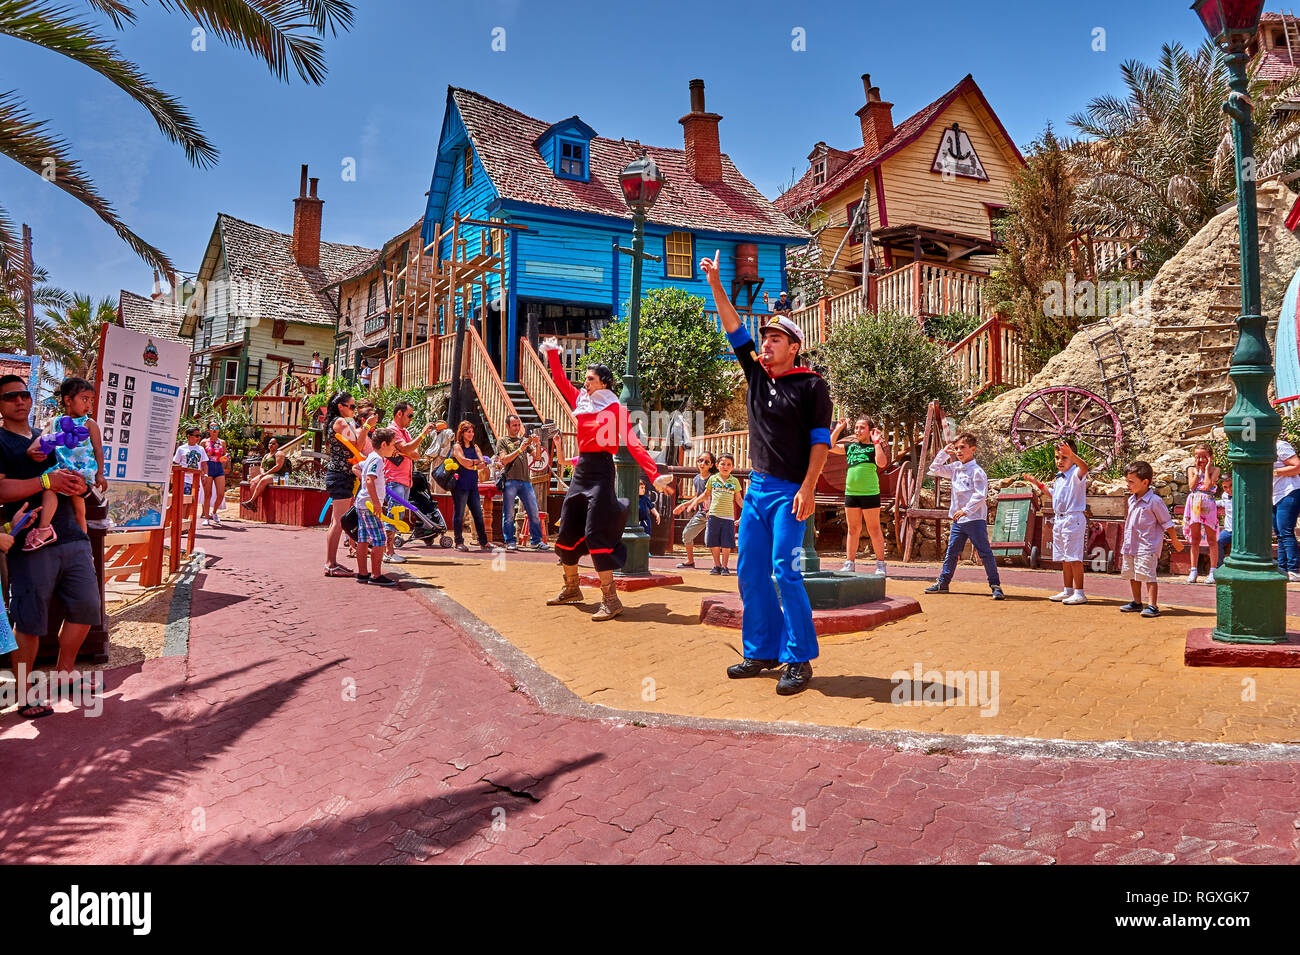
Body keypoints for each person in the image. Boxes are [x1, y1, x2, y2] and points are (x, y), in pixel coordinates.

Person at [702, 252, 832, 694]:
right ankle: (760, 650)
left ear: (794, 346)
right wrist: (716, 282)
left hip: (790, 492)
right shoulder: (756, 373)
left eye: (777, 337)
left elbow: (820, 442)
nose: (768, 342)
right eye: (767, 337)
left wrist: (809, 488)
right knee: (748, 572)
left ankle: (799, 658)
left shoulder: (813, 386)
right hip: (755, 491)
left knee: (786, 571)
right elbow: (732, 326)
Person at [539, 338, 674, 622]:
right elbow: (562, 382)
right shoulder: (582, 401)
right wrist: (552, 354)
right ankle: (572, 588)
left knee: (596, 534)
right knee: (565, 534)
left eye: (590, 379)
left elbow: (633, 443)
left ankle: (611, 600)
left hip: (601, 472)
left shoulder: (615, 409)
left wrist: (654, 473)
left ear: (604, 383)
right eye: (585, 379)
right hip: (581, 472)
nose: (585, 383)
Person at [0, 375, 98, 719]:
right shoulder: (0, 441)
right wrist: (45, 480)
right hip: (29, 541)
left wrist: (79, 485)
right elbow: (1, 491)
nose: (20, 401)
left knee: (87, 606)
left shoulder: (49, 435)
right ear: (0, 405)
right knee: (28, 620)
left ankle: (65, 671)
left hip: (72, 534)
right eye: (10, 396)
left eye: (24, 394)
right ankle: (26, 695)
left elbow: (77, 475)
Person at [25, 377, 106, 548]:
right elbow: (42, 439)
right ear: (68, 400)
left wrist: (100, 474)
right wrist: (32, 451)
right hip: (62, 471)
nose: (88, 405)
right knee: (48, 488)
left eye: (91, 400)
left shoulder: (89, 424)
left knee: (79, 511)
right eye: (85, 399)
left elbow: (98, 449)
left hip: (81, 472)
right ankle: (44, 528)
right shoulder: (55, 422)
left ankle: (84, 546)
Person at [924, 433, 1005, 600]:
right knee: (952, 551)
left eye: (962, 447)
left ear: (972, 450)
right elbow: (934, 469)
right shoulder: (955, 468)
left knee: (984, 553)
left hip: (974, 519)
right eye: (957, 448)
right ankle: (943, 583)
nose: (958, 451)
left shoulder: (977, 471)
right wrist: (944, 453)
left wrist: (966, 510)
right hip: (959, 520)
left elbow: (980, 495)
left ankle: (995, 586)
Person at [1022, 440, 1090, 604]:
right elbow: (1054, 495)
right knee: (1065, 558)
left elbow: (1085, 467)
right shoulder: (1060, 477)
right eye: (1057, 457)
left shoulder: (1075, 473)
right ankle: (1068, 590)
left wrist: (1072, 456)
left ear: (1072, 458)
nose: (1059, 461)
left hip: (1073, 519)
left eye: (1064, 457)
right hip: (1059, 519)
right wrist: (1037, 483)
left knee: (1074, 558)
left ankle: (1079, 593)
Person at [1119, 460, 1183, 617]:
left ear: (1145, 482)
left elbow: (1167, 523)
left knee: (1148, 575)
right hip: (1131, 545)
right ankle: (1137, 602)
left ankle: (1152, 605)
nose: (1128, 485)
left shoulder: (1155, 501)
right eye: (1127, 481)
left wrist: (1175, 541)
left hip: (1146, 546)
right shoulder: (1131, 499)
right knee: (1132, 574)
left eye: (1131, 482)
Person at [829, 416, 889, 576]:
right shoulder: (851, 446)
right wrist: (838, 429)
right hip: (851, 493)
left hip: (870, 493)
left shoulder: (874, 447)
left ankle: (880, 565)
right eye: (856, 427)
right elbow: (830, 446)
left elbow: (882, 463)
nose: (858, 430)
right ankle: (849, 563)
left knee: (874, 529)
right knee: (853, 529)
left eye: (862, 427)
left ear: (870, 430)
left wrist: (876, 442)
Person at [383, 401, 436, 563]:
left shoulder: (404, 432)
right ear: (399, 413)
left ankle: (389, 551)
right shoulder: (392, 430)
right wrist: (422, 435)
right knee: (394, 514)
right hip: (394, 479)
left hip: (405, 480)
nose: (411, 419)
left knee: (398, 515)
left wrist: (405, 449)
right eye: (409, 415)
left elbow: (416, 453)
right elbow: (408, 450)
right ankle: (388, 551)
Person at [677, 452, 744, 575]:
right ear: (718, 465)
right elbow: (705, 494)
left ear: (732, 467)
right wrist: (692, 503)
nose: (725, 466)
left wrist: (745, 513)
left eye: (729, 464)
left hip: (728, 516)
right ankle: (716, 565)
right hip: (712, 515)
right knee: (713, 541)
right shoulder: (712, 479)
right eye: (723, 464)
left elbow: (739, 499)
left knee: (726, 543)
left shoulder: (734, 481)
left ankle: (724, 566)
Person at [494, 414, 548, 552]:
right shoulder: (503, 441)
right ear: (507, 426)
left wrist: (537, 444)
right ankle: (510, 541)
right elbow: (504, 460)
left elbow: (537, 458)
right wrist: (520, 449)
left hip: (525, 480)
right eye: (514, 425)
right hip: (510, 480)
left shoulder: (523, 440)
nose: (517, 428)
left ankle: (536, 541)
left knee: (534, 511)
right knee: (509, 513)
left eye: (518, 425)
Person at [353, 427, 400, 586]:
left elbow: (357, 467)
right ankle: (376, 574)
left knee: (363, 539)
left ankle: (363, 573)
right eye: (392, 445)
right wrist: (376, 504)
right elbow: (369, 480)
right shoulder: (378, 460)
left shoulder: (371, 457)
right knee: (380, 539)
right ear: (384, 444)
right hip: (370, 506)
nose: (394, 448)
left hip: (362, 503)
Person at [323, 392, 361, 577]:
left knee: (335, 521)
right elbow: (357, 445)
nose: (354, 410)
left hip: (339, 475)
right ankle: (330, 564)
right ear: (341, 407)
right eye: (352, 407)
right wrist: (368, 426)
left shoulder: (338, 422)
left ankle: (332, 562)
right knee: (338, 522)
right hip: (341, 475)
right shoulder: (340, 423)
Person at [451, 420, 491, 552]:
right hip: (460, 485)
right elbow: (463, 461)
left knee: (478, 514)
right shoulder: (457, 446)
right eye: (468, 432)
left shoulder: (475, 447)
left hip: (473, 484)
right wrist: (475, 464)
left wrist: (472, 464)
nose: (471, 434)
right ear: (462, 433)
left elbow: (483, 462)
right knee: (459, 513)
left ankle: (483, 541)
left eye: (472, 431)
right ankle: (458, 542)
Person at [1183, 443, 1221, 584]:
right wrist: (1198, 471)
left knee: (1212, 539)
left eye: (1204, 457)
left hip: (1208, 505)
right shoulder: (1192, 470)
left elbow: (1207, 485)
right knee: (1195, 539)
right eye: (1197, 457)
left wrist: (1206, 469)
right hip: (1194, 505)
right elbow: (1192, 486)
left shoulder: (1215, 470)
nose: (1200, 460)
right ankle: (1193, 570)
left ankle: (1213, 570)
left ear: (1210, 457)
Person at [672, 452, 717, 569]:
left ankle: (718, 565)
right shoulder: (697, 479)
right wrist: (684, 505)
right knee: (687, 534)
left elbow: (715, 496)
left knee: (710, 540)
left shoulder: (713, 479)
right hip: (702, 513)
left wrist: (710, 511)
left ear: (711, 465)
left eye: (707, 462)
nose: (703, 464)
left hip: (714, 513)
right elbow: (698, 496)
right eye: (700, 460)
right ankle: (690, 561)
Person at [1273, 438, 1300, 583]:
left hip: (1288, 492)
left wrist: (1274, 472)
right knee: (1279, 533)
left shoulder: (1280, 445)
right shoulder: (1263, 446)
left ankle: (1293, 570)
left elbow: (1297, 466)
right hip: (1275, 495)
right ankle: (1282, 569)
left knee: (1286, 531)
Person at [240, 435, 289, 510]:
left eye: (273, 443)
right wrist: (262, 473)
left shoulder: (279, 453)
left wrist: (266, 473)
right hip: (267, 474)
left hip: (278, 475)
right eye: (270, 443)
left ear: (277, 445)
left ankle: (251, 501)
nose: (271, 445)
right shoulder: (266, 455)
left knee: (263, 480)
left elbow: (278, 466)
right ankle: (254, 504)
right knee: (253, 481)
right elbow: (261, 466)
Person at [199, 422, 230, 527]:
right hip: (208, 467)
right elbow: (200, 457)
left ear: (219, 429)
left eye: (216, 427)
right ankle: (207, 517)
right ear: (209, 430)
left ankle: (214, 512)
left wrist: (225, 458)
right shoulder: (204, 442)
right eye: (212, 427)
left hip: (219, 467)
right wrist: (202, 472)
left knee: (221, 494)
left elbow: (224, 454)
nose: (214, 429)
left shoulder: (222, 442)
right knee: (208, 494)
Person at [173, 426, 209, 498]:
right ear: (188, 436)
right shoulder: (181, 449)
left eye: (199, 436)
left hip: (196, 480)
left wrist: (205, 476)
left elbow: (204, 464)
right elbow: (176, 463)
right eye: (196, 436)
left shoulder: (201, 449)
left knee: (193, 503)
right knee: (184, 502)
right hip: (184, 480)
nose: (198, 438)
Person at [1216, 471, 1233, 569]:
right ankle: (1219, 566)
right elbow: (1223, 502)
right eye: (1225, 487)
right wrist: (1211, 503)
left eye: (1231, 486)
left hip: (1240, 531)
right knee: (1218, 541)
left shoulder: (1241, 495)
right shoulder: (1225, 495)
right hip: (1229, 530)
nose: (1228, 489)